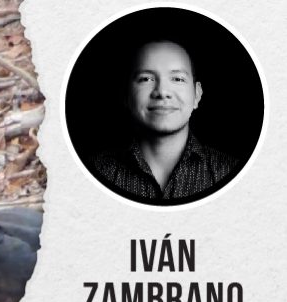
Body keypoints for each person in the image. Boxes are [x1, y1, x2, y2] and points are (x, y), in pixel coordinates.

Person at [92, 39, 238, 201]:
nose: (162, 92)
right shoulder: (94, 173)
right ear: (126, 95)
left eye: (177, 79)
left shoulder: (231, 172)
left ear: (197, 95)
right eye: (146, 79)